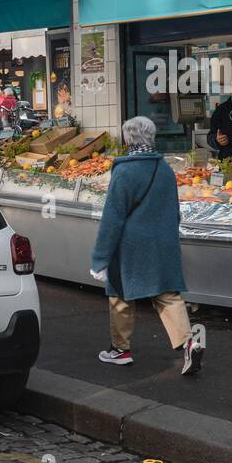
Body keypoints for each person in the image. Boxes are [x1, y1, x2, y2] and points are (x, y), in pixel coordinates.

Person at [90, 116, 204, 376]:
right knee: (167, 295)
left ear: (128, 139)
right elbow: (174, 212)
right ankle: (189, 343)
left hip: (131, 246)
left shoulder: (124, 171)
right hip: (162, 243)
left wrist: (100, 258)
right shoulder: (164, 169)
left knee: (120, 294)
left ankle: (120, 349)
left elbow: (113, 218)